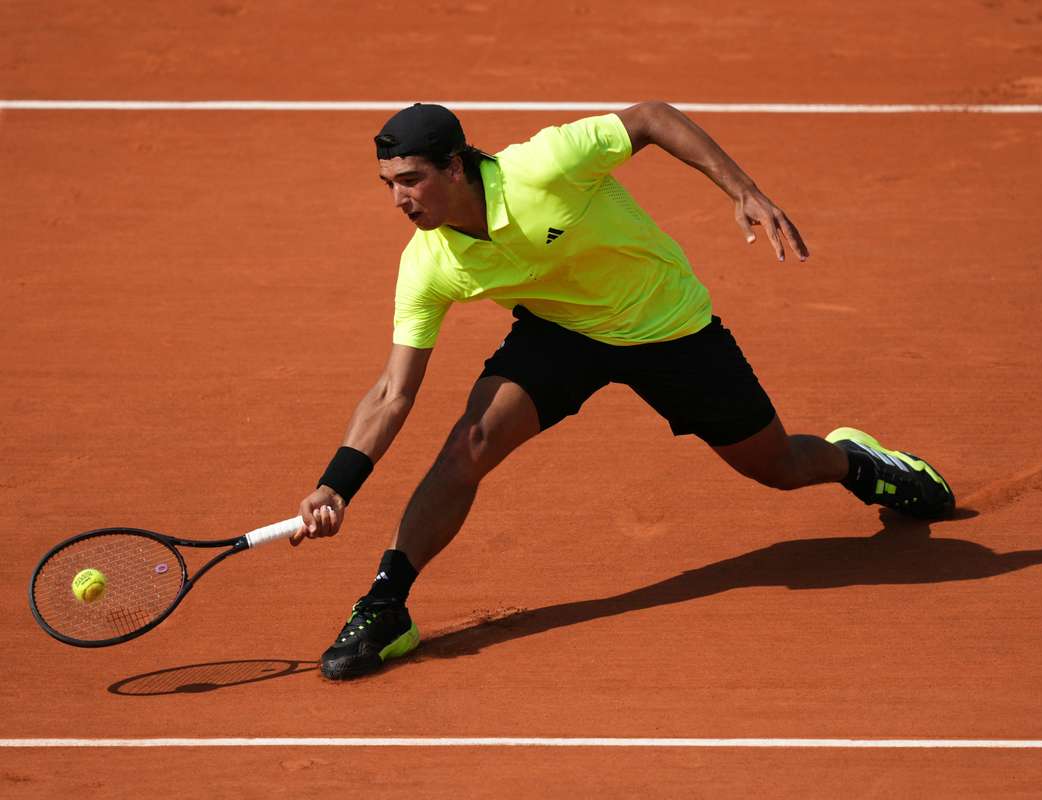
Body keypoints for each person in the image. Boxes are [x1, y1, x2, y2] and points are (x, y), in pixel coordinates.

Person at [291, 101, 955, 680]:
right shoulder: (429, 262)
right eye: (388, 185)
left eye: (411, 180)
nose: (400, 200)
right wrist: (336, 486)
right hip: (561, 332)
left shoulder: (542, 168)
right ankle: (385, 602)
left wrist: (743, 190)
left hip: (666, 324)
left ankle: (859, 461)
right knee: (470, 444)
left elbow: (651, 118)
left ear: (455, 168)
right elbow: (391, 393)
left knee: (779, 466)